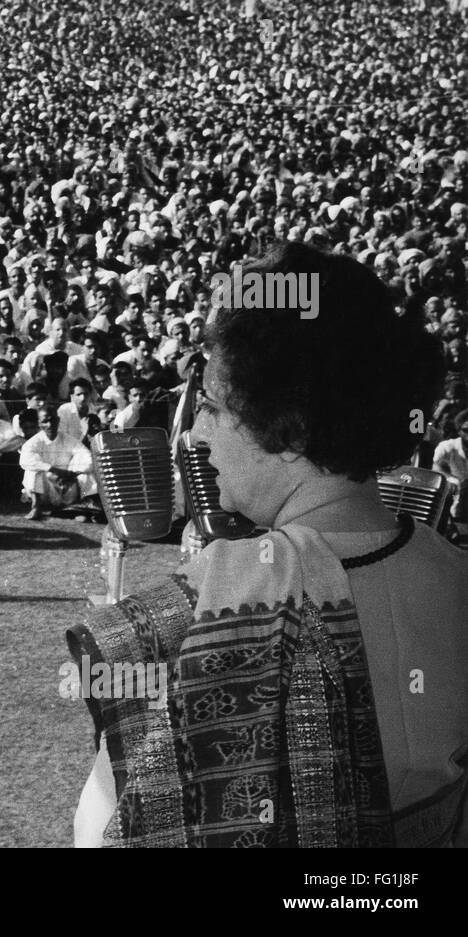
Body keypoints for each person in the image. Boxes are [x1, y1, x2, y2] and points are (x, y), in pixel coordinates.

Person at [69, 243, 468, 848]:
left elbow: (103, 833)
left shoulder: (199, 607)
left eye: (210, 406)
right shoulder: (455, 577)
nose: (197, 435)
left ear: (289, 428)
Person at [18, 406, 97, 520]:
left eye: (52, 420)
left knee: (85, 466)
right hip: (44, 492)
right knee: (33, 468)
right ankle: (35, 508)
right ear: (39, 424)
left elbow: (88, 458)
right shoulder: (33, 442)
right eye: (45, 421)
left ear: (58, 420)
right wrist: (55, 471)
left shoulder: (68, 439)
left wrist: (72, 473)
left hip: (66, 486)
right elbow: (24, 461)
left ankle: (81, 508)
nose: (50, 425)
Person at [431, 409, 468, 523]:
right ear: (458, 431)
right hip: (456, 489)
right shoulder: (447, 447)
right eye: (466, 430)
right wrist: (453, 479)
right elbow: (436, 467)